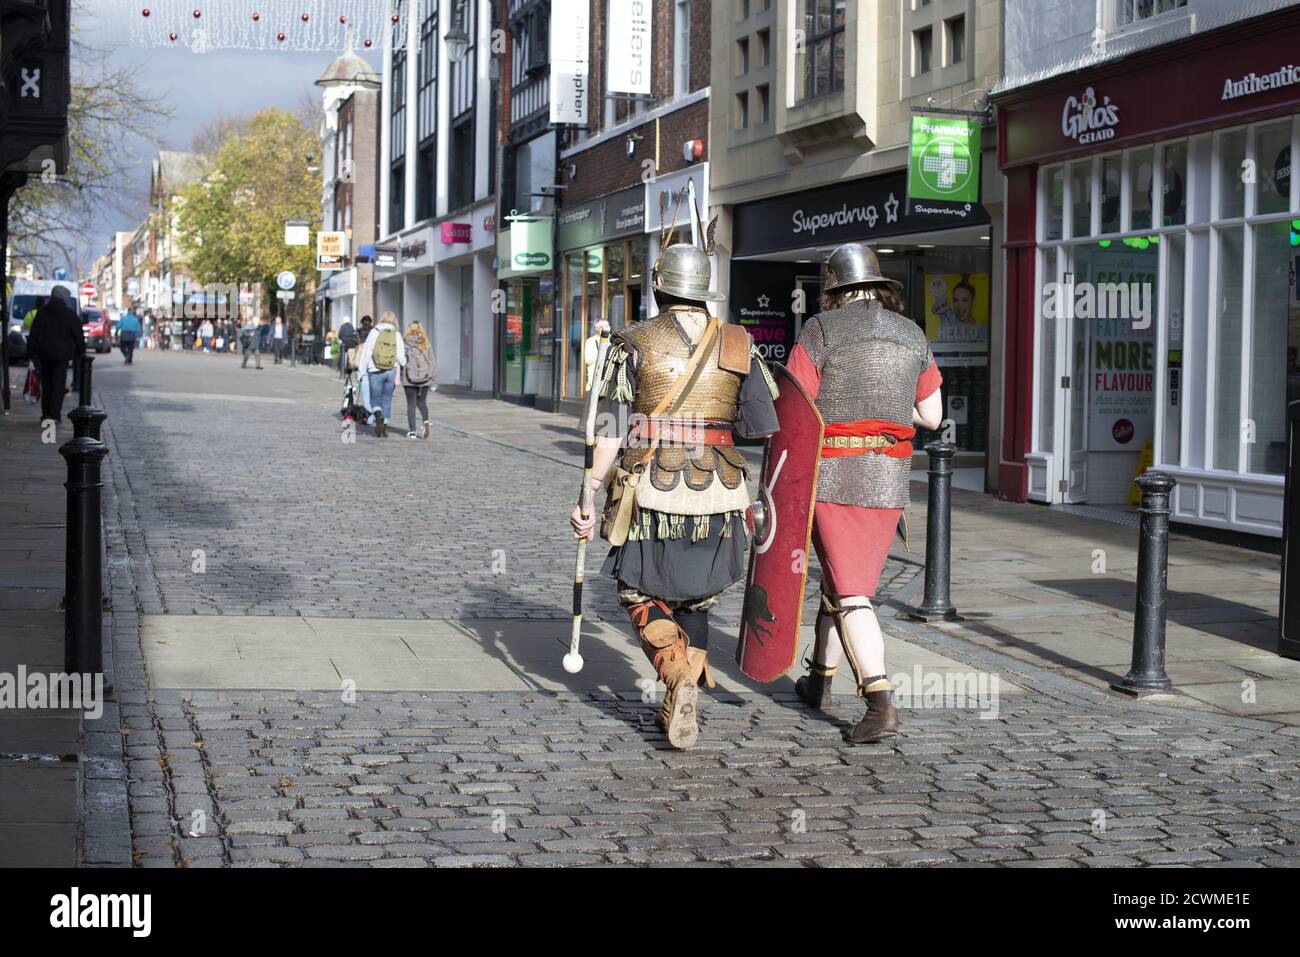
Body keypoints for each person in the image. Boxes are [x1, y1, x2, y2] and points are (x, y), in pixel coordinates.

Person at [569, 239, 779, 750]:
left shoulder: (632, 340)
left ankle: (677, 677)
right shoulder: (737, 341)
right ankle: (686, 698)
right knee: (697, 599)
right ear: (705, 292)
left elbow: (612, 425)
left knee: (639, 591)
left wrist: (588, 494)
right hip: (721, 492)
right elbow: (763, 422)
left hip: (651, 490)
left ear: (658, 288)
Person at [784, 243, 943, 744]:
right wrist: (891, 415)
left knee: (851, 593)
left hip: (834, 476)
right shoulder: (912, 332)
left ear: (833, 288)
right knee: (841, 581)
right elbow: (933, 416)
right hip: (889, 478)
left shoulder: (821, 329)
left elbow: (794, 406)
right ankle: (819, 680)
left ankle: (879, 701)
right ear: (879, 284)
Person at [26, 285, 84, 425]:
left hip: (44, 355)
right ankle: (54, 414)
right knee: (58, 386)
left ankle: (46, 414)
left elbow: (34, 335)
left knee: (46, 385)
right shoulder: (70, 315)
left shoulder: (42, 313)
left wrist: (31, 354)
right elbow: (78, 336)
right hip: (61, 356)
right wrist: (80, 351)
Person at [355, 311, 404, 437]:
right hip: (390, 370)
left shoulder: (374, 331)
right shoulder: (396, 334)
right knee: (387, 399)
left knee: (375, 399)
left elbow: (367, 352)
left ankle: (378, 416)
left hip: (375, 369)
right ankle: (383, 430)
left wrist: (362, 371)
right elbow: (401, 357)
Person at [401, 321, 436, 439]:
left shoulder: (404, 342)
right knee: (422, 402)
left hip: (409, 378)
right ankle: (425, 422)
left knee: (411, 404)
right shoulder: (426, 343)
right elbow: (432, 361)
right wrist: (434, 379)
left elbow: (401, 360)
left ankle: (412, 432)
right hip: (425, 378)